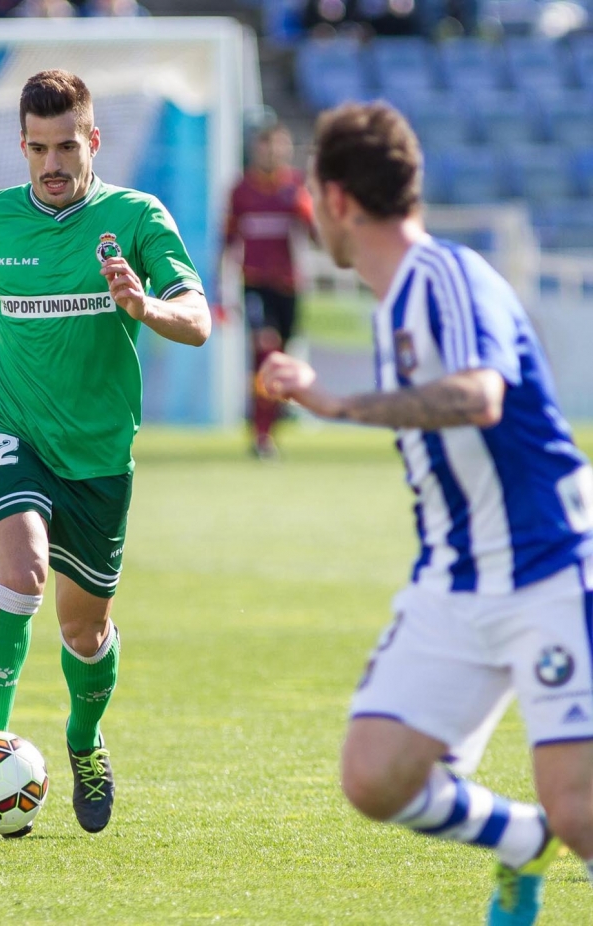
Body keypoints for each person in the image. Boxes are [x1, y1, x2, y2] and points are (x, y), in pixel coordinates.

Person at [259, 100, 593, 924]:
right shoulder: (396, 303)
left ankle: (554, 826)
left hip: (551, 563)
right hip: (456, 578)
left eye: (312, 194)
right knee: (374, 776)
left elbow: (480, 396)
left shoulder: (444, 277)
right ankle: (523, 840)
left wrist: (336, 404)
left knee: (582, 809)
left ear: (338, 200)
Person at [0, 69, 210, 838]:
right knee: (22, 572)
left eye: (66, 146)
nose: (52, 164)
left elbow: (198, 319)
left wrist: (143, 305)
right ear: (23, 147)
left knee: (85, 634)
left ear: (93, 140)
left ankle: (83, 739)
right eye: (38, 149)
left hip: (98, 455)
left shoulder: (137, 218)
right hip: (8, 424)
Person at [222, 120, 316, 459]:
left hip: (288, 286)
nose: (273, 153)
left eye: (278, 146)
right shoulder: (241, 191)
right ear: (255, 150)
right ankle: (261, 434)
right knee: (266, 351)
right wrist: (220, 290)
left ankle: (269, 427)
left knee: (281, 359)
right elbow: (227, 240)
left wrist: (310, 208)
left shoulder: (295, 187)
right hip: (255, 284)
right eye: (266, 146)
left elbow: (316, 234)